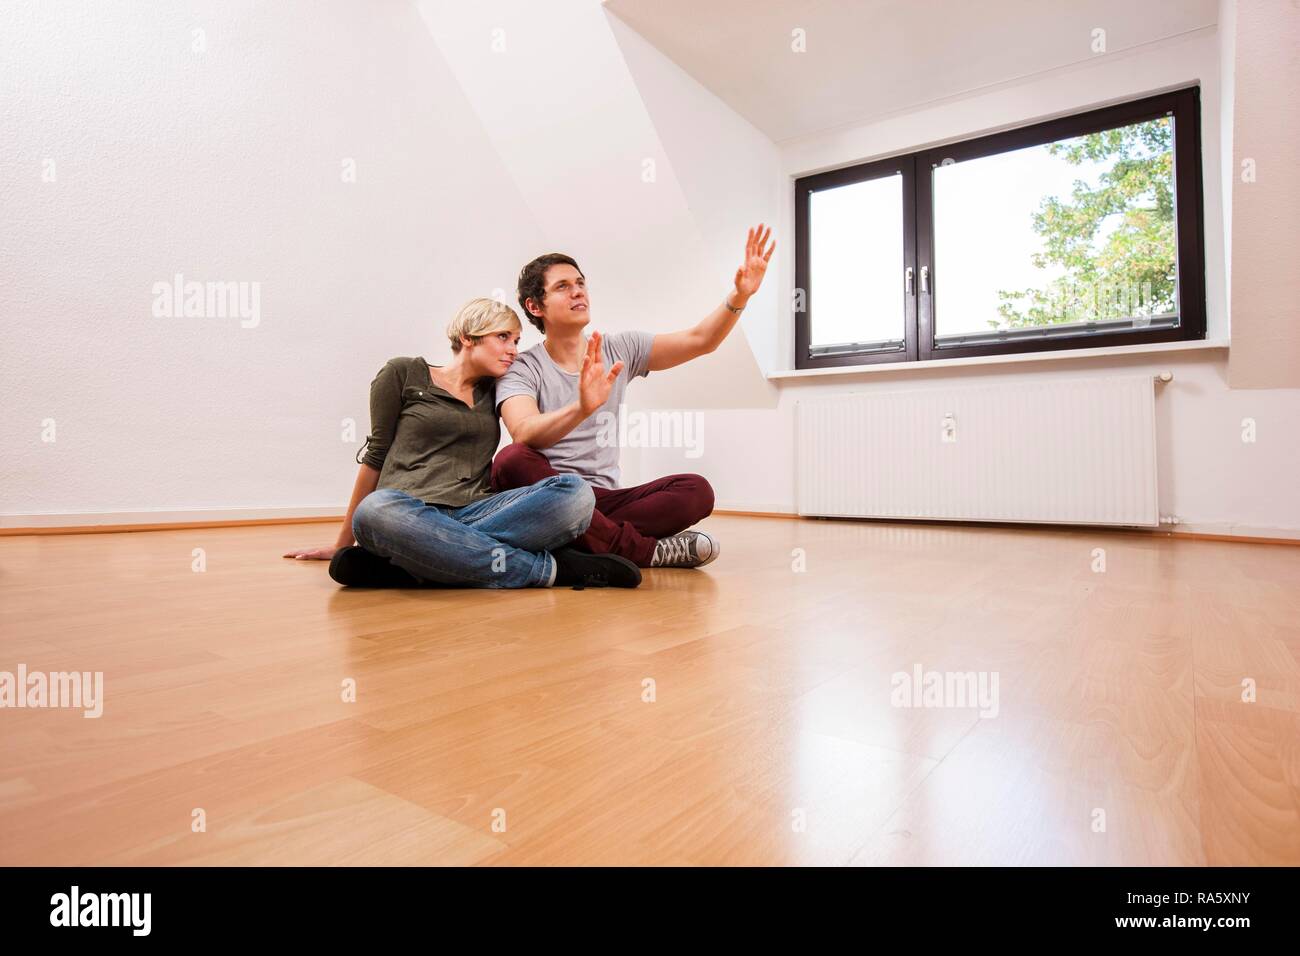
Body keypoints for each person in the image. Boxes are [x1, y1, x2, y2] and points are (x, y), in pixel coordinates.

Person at [283, 298, 641, 589]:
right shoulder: (404, 373)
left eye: (516, 340)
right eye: (503, 337)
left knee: (575, 494)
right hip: (407, 509)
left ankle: (412, 566)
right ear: (469, 337)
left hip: (475, 510)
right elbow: (376, 455)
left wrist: (581, 406)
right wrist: (344, 542)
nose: (513, 349)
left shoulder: (496, 389)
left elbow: (530, 429)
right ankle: (551, 570)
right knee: (376, 512)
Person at [492, 224, 775, 569]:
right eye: (563, 287)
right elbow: (524, 431)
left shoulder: (620, 348)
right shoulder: (523, 368)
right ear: (535, 306)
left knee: (696, 491)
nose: (578, 292)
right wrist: (582, 407)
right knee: (511, 460)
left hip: (606, 500)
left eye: (580, 283)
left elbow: (701, 340)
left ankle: (581, 541)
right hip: (551, 494)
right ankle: (640, 551)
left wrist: (740, 296)